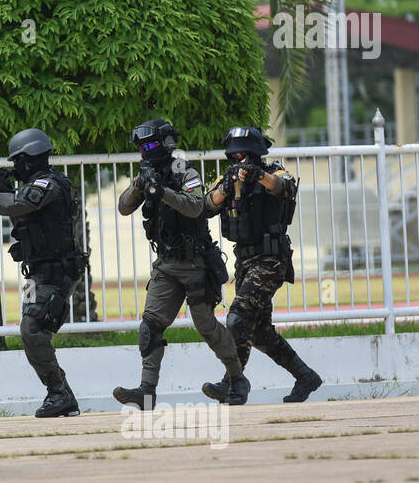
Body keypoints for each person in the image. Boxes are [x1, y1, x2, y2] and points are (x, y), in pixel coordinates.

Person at [111, 118, 247, 410]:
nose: (146, 151)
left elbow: (197, 206)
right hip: (166, 263)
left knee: (207, 326)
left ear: (166, 143)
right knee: (150, 326)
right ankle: (147, 392)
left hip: (194, 262)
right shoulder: (147, 172)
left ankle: (237, 380)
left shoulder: (184, 171)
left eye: (150, 144)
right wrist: (140, 187)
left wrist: (162, 192)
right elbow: (123, 207)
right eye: (142, 146)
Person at [0, 128, 87, 418]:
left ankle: (59, 393)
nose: (16, 166)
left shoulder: (48, 183)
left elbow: (19, 204)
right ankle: (62, 395)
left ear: (31, 158)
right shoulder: (33, 183)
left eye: (19, 161)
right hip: (36, 272)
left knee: (32, 328)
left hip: (56, 271)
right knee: (30, 330)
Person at [204, 126, 323, 403]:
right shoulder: (230, 178)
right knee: (260, 333)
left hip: (270, 259)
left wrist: (259, 177)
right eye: (236, 157)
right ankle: (305, 376)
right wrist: (226, 185)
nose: (240, 162)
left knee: (238, 317)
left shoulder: (276, 172)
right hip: (245, 261)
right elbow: (207, 206)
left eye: (244, 156)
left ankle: (233, 384)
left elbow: (285, 187)